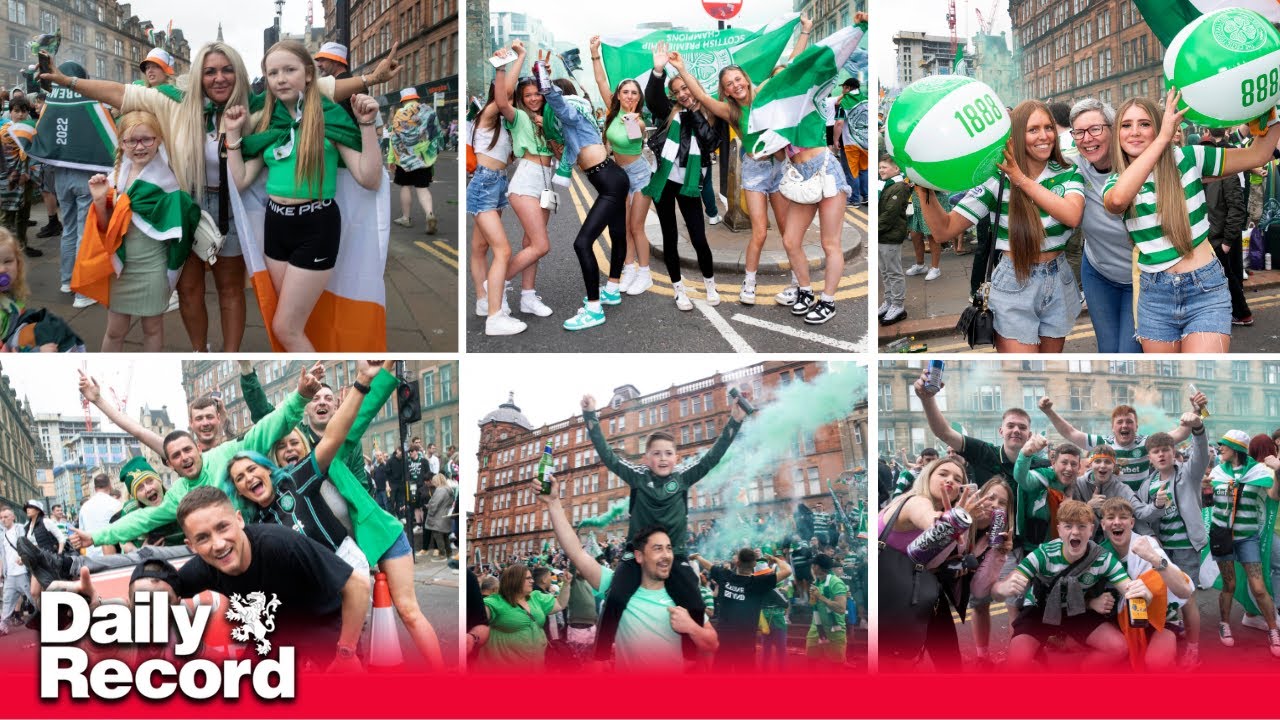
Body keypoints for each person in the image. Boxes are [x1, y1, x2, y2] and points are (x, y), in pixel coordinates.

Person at [41, 41, 399, 352]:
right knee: (190, 289)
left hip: (235, 206)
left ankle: (231, 349)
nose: (219, 78)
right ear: (199, 76)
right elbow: (120, 93)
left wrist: (370, 79)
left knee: (231, 289)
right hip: (189, 205)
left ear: (239, 74)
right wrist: (67, 81)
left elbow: (317, 88)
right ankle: (199, 348)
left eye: (227, 69)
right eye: (210, 71)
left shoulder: (261, 106)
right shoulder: (175, 104)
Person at [222, 41, 384, 352]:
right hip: (276, 227)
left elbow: (369, 178)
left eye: (289, 70)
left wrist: (365, 125)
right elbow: (240, 180)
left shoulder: (330, 117)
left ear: (308, 74)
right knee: (292, 321)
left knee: (286, 327)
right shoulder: (269, 123)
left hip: (317, 226)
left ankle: (316, 385)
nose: (280, 78)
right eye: (272, 73)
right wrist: (233, 134)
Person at [67, 363, 322, 552]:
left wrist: (300, 397)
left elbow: (267, 428)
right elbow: (140, 519)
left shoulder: (229, 450)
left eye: (187, 450)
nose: (184, 457)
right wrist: (96, 537)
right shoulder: (177, 493)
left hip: (261, 537)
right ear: (170, 463)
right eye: (176, 455)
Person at [1101, 89, 1280, 352]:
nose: (1135, 131)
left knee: (1201, 375)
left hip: (1205, 288)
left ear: (1157, 127)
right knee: (1170, 386)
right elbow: (1117, 201)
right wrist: (1162, 139)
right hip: (1154, 296)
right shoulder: (1116, 181)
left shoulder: (1188, 158)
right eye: (1126, 125)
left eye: (1145, 124)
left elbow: (1258, 155)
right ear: (1117, 134)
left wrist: (1268, 107)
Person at [580, 391, 745, 659]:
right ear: (646, 459)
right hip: (636, 554)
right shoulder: (637, 476)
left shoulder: (683, 478)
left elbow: (712, 457)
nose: (663, 458)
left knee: (693, 601)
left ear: (676, 458)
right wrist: (590, 416)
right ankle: (600, 656)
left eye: (669, 453)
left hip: (675, 553)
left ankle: (690, 659)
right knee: (617, 598)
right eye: (656, 454)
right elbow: (608, 456)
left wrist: (735, 419)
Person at [919, 100, 1086, 352]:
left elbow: (1072, 215)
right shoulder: (995, 179)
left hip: (1058, 279)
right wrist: (922, 185)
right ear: (1017, 134)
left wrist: (1020, 179)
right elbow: (945, 230)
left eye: (1048, 127)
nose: (1044, 136)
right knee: (1022, 370)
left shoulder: (1068, 171)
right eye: (1033, 130)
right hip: (1013, 280)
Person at [671, 15, 814, 307]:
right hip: (756, 173)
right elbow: (699, 94)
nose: (735, 86)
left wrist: (805, 32)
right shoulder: (729, 111)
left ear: (745, 80)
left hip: (780, 170)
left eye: (737, 79)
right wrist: (682, 69)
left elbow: (792, 68)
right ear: (724, 91)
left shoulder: (764, 94)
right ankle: (749, 284)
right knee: (760, 232)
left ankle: (796, 285)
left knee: (789, 234)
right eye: (728, 84)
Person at [174, 486, 369, 670]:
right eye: (202, 538)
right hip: (271, 638)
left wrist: (346, 654)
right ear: (191, 546)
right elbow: (162, 587)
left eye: (223, 527)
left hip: (324, 630)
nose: (217, 544)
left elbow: (357, 586)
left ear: (239, 520)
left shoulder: (279, 544)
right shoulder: (203, 568)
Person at [535, 476, 718, 668]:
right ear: (638, 556)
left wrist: (691, 627)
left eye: (669, 548)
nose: (666, 555)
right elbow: (576, 552)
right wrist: (554, 502)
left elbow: (712, 644)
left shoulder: (681, 593)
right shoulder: (616, 585)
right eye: (657, 549)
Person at [76, 110, 199, 351]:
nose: (139, 146)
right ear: (121, 144)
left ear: (159, 140)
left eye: (146, 139)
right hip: (121, 267)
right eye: (131, 141)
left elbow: (178, 228)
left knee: (153, 329)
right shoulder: (114, 178)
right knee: (114, 331)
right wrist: (101, 202)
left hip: (152, 267)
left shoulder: (168, 179)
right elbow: (105, 228)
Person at [528, 59, 630, 331]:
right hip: (613, 177)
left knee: (582, 243)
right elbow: (569, 153)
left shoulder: (569, 110)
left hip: (609, 181)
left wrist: (545, 84)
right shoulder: (581, 116)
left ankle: (594, 309)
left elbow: (561, 107)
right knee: (618, 235)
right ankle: (612, 289)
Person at [993, 499, 1149, 670]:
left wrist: (1143, 594)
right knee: (1016, 663)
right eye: (1068, 526)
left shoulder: (1102, 558)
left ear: (1091, 529)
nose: (1075, 532)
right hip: (1040, 609)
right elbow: (998, 592)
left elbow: (1128, 588)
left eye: (1082, 526)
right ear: (1059, 530)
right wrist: (1002, 588)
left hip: (1076, 610)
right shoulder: (1044, 554)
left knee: (1118, 648)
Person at [877, 457, 988, 668]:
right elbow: (930, 520)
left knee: (949, 663)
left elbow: (936, 556)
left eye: (957, 479)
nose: (950, 481)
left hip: (924, 590)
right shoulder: (916, 501)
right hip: (894, 592)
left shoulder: (951, 513)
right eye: (943, 474)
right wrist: (954, 520)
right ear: (927, 477)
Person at [642, 41, 722, 311]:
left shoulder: (712, 113)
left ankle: (710, 283)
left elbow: (710, 143)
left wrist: (697, 110)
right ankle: (679, 290)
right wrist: (658, 70)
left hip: (689, 184)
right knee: (670, 237)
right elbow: (652, 98)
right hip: (665, 181)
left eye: (686, 87)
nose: (683, 94)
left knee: (699, 237)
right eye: (677, 92)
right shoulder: (670, 112)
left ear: (694, 85)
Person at [1068, 98, 1141, 353]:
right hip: (1098, 274)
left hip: (1141, 278)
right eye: (1079, 132)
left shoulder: (1139, 166)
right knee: (1109, 352)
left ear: (1113, 128)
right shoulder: (1073, 168)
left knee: (1129, 352)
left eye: (1095, 129)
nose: (1087, 138)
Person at [1134, 423, 1209, 667]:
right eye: (1156, 451)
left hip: (1186, 547)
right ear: (1150, 457)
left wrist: (1198, 430)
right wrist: (1152, 540)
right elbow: (1144, 518)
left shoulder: (1188, 473)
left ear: (1173, 451)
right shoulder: (1148, 485)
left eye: (1166, 449)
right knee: (1169, 595)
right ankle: (1178, 636)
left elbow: (1201, 455)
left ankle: (1193, 648)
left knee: (1187, 598)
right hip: (1163, 550)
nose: (1162, 454)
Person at [590, 35, 655, 297]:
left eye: (634, 93)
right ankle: (629, 268)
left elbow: (635, 137)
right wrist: (595, 54)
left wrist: (632, 120)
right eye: (625, 91)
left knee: (637, 227)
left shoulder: (636, 121)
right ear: (619, 94)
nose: (629, 96)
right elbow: (600, 81)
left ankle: (645, 273)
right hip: (620, 177)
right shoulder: (613, 112)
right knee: (624, 226)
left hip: (640, 177)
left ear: (639, 98)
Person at [1097, 497, 1192, 670]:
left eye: (1123, 517)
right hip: (1123, 621)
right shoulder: (1100, 553)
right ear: (1103, 524)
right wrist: (1094, 602)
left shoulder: (1147, 545)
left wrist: (1154, 558)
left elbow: (1185, 591)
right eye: (1111, 518)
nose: (1117, 522)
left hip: (1160, 620)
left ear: (1132, 522)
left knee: (1157, 663)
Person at [1208, 429, 1280, 655]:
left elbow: (1275, 496)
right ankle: (1225, 624)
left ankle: (1273, 629)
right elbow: (1207, 496)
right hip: (1222, 537)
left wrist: (1278, 471)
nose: (1220, 448)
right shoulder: (1218, 472)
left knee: (1259, 588)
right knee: (1229, 585)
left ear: (1237, 448)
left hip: (1247, 538)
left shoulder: (1258, 471)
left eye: (1224, 445)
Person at [1038, 394, 1201, 493]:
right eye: (1120, 422)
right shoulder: (1104, 444)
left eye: (1129, 422)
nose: (1124, 426)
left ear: (1136, 426)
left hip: (1142, 506)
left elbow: (1181, 433)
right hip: (1113, 509)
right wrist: (1048, 412)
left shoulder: (1146, 442)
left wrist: (1196, 412)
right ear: (1113, 427)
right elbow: (1071, 433)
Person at [467, 71, 528, 336]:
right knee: (502, 251)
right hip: (484, 185)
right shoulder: (490, 112)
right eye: (507, 93)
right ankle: (495, 317)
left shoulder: (508, 122)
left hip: (498, 184)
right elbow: (504, 93)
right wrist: (511, 64)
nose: (511, 99)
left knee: (480, 247)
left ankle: (483, 300)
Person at [913, 367, 1047, 484]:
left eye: (1022, 427)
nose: (1016, 430)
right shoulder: (984, 452)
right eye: (1010, 426)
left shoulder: (1042, 466)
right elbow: (944, 433)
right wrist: (927, 399)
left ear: (1029, 435)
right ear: (1001, 431)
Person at [691, 548, 791, 670]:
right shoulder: (759, 583)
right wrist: (776, 559)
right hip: (746, 643)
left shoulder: (725, 576)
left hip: (724, 641)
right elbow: (787, 570)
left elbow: (709, 566)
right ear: (754, 564)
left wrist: (698, 557)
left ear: (737, 563)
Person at [1201, 128, 1252, 326]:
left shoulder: (1226, 175)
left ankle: (1243, 314)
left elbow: (1237, 209)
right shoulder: (1195, 178)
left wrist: (1227, 242)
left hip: (1219, 240)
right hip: (1205, 239)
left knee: (1229, 279)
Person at [478, 562, 572, 670]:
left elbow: (560, 604)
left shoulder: (535, 597)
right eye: (528, 578)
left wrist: (566, 584)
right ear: (515, 580)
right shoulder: (495, 602)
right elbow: (476, 616)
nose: (532, 581)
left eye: (531, 578)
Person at [388, 87, 439, 234]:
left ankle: (406, 218)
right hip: (423, 158)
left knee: (405, 186)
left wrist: (391, 158)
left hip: (404, 159)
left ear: (403, 100)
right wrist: (432, 156)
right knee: (422, 188)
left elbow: (394, 138)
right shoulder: (429, 111)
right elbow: (436, 135)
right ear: (416, 98)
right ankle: (430, 214)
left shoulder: (399, 114)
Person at [0, 96, 37, 257]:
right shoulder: (4, 133)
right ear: (10, 112)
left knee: (23, 215)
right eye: (16, 111)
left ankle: (22, 247)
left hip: (26, 179)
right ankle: (5, 252)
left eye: (23, 111)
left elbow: (35, 155)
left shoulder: (30, 131)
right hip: (7, 181)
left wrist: (28, 173)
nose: (20, 115)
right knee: (6, 218)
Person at [877, 153, 911, 325]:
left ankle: (898, 305)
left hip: (889, 236)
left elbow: (890, 214)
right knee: (885, 271)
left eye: (884, 167)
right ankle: (889, 301)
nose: (880, 170)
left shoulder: (899, 187)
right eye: (880, 167)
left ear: (896, 169)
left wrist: (874, 229)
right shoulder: (887, 184)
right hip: (883, 235)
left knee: (894, 272)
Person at [808, 553, 849, 666]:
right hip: (816, 627)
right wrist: (813, 597)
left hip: (834, 628)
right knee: (811, 660)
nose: (812, 568)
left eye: (813, 565)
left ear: (816, 567)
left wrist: (820, 597)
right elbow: (813, 604)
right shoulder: (817, 582)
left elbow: (841, 609)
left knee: (836, 666)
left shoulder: (835, 582)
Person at [0, 506, 35, 634]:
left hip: (23, 572)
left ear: (13, 517)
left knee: (33, 598)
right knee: (7, 600)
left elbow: (31, 545)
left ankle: (52, 619)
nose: (3, 520)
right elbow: (2, 555)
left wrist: (24, 558)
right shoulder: (2, 535)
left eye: (6, 517)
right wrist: (2, 572)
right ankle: (3, 625)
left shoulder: (20, 529)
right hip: (10, 574)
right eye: (1, 518)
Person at [78, 474, 122, 558]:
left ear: (95, 488)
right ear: (110, 485)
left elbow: (82, 533)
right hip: (113, 558)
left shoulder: (84, 507)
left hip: (92, 558)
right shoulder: (116, 504)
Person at [424, 474, 453, 559]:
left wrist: (430, 511)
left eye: (434, 480)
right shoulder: (448, 489)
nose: (433, 482)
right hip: (445, 515)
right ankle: (449, 553)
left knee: (437, 535)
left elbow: (434, 504)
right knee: (445, 535)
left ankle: (442, 554)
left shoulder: (440, 490)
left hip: (438, 516)